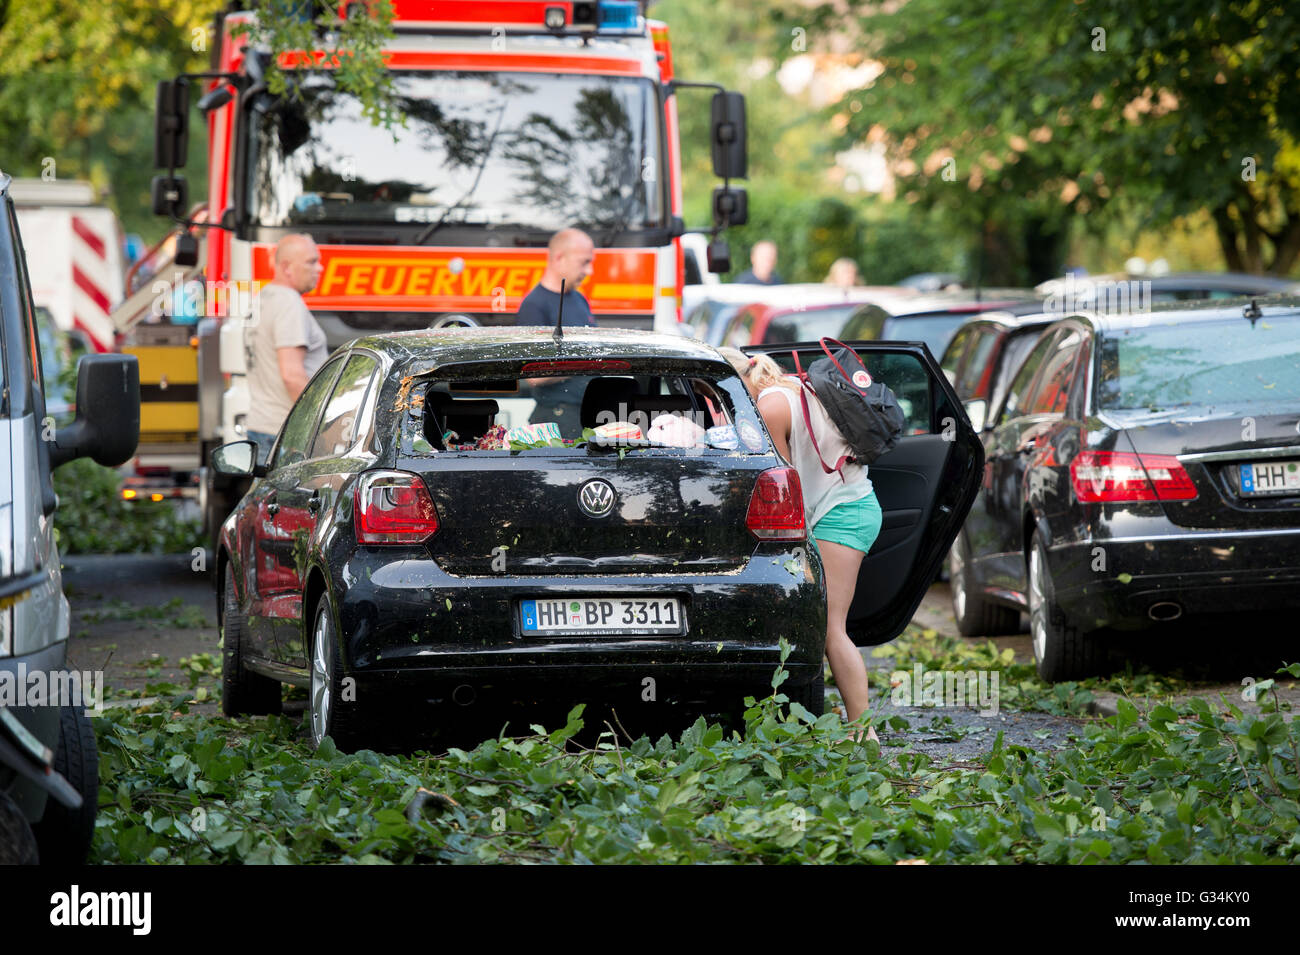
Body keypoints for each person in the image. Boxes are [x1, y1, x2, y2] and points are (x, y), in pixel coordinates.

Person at [721, 346, 883, 742]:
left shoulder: (770, 407)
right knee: (826, 627)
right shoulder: (794, 386)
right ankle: (844, 723)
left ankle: (865, 731)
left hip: (842, 514)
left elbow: (783, 480)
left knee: (831, 630)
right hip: (851, 507)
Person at [244, 234, 328, 464]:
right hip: (287, 435)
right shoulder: (288, 303)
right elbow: (292, 376)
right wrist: (326, 422)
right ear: (286, 267)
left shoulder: (263, 299)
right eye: (311, 262)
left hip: (263, 427)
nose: (319, 268)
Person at [515, 228, 597, 327]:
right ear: (559, 258)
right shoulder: (533, 307)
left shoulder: (580, 298)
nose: (589, 271)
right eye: (584, 262)